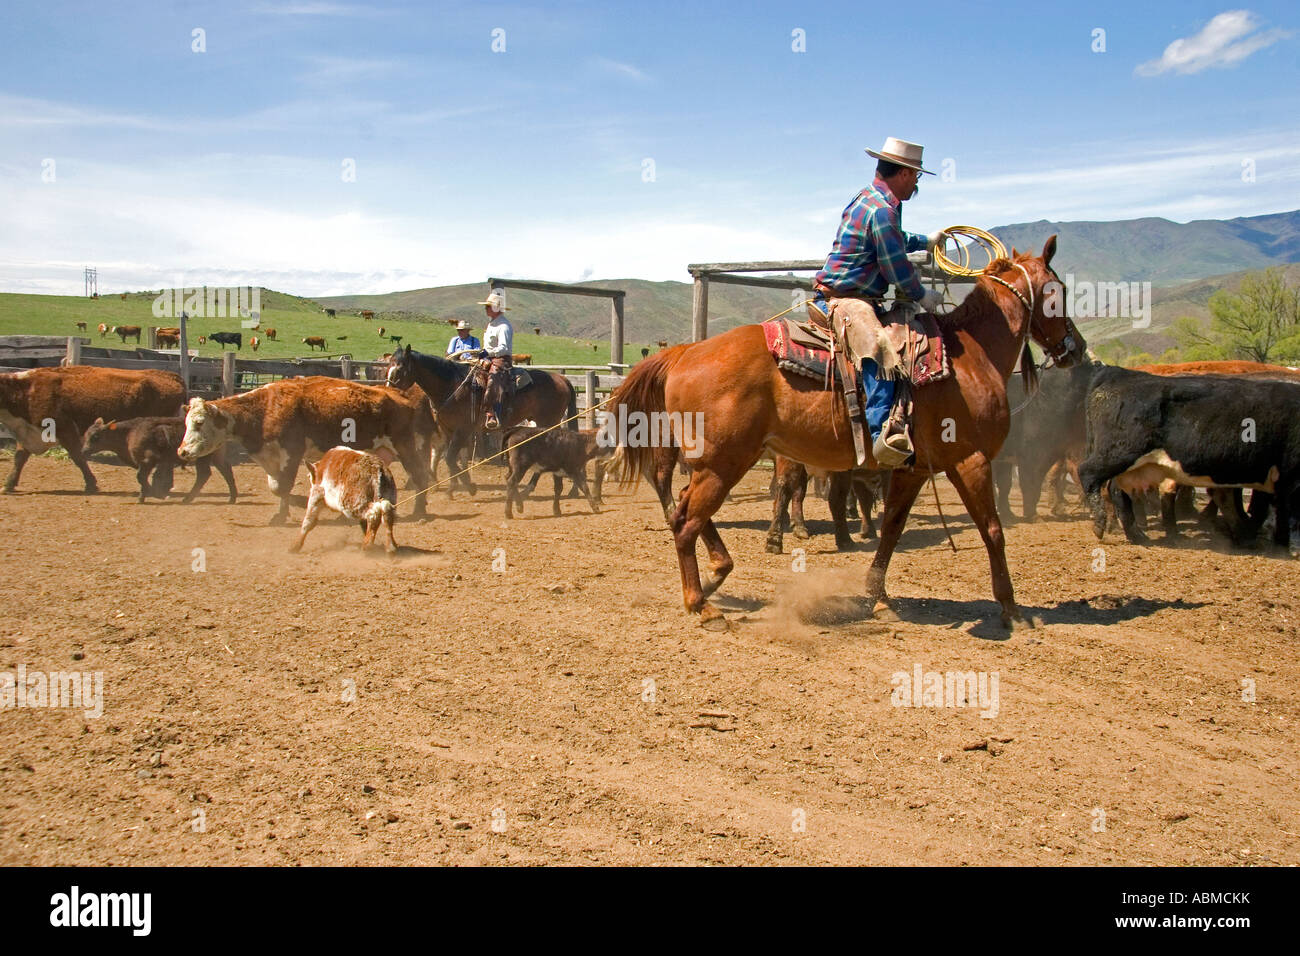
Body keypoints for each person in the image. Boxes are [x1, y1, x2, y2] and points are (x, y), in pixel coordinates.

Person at [811, 136, 945, 467]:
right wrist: (921, 294)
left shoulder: (873, 201)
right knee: (880, 346)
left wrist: (923, 241)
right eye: (915, 176)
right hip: (846, 299)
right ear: (902, 173)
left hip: (851, 294)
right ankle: (883, 433)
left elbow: (894, 239)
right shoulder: (882, 209)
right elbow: (894, 266)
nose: (916, 184)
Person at [476, 289, 514, 428]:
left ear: (496, 308)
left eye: (488, 306)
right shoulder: (491, 324)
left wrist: (488, 352)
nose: (485, 308)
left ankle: (492, 414)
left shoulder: (503, 326)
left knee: (493, 377)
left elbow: (503, 348)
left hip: (501, 360)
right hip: (489, 357)